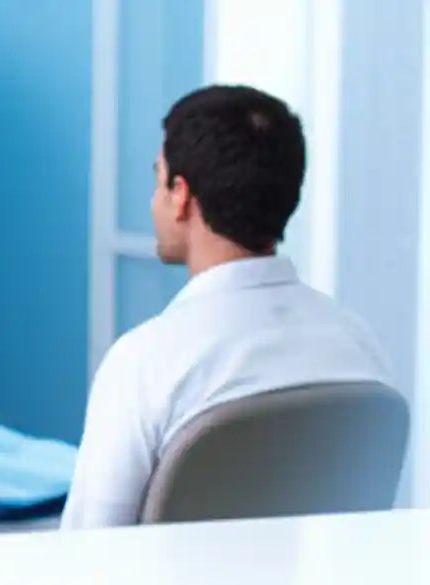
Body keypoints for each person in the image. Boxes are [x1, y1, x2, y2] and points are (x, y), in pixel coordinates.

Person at [60, 84, 395, 530]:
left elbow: (87, 552)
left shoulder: (146, 363)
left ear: (181, 194)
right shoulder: (359, 347)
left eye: (158, 178)